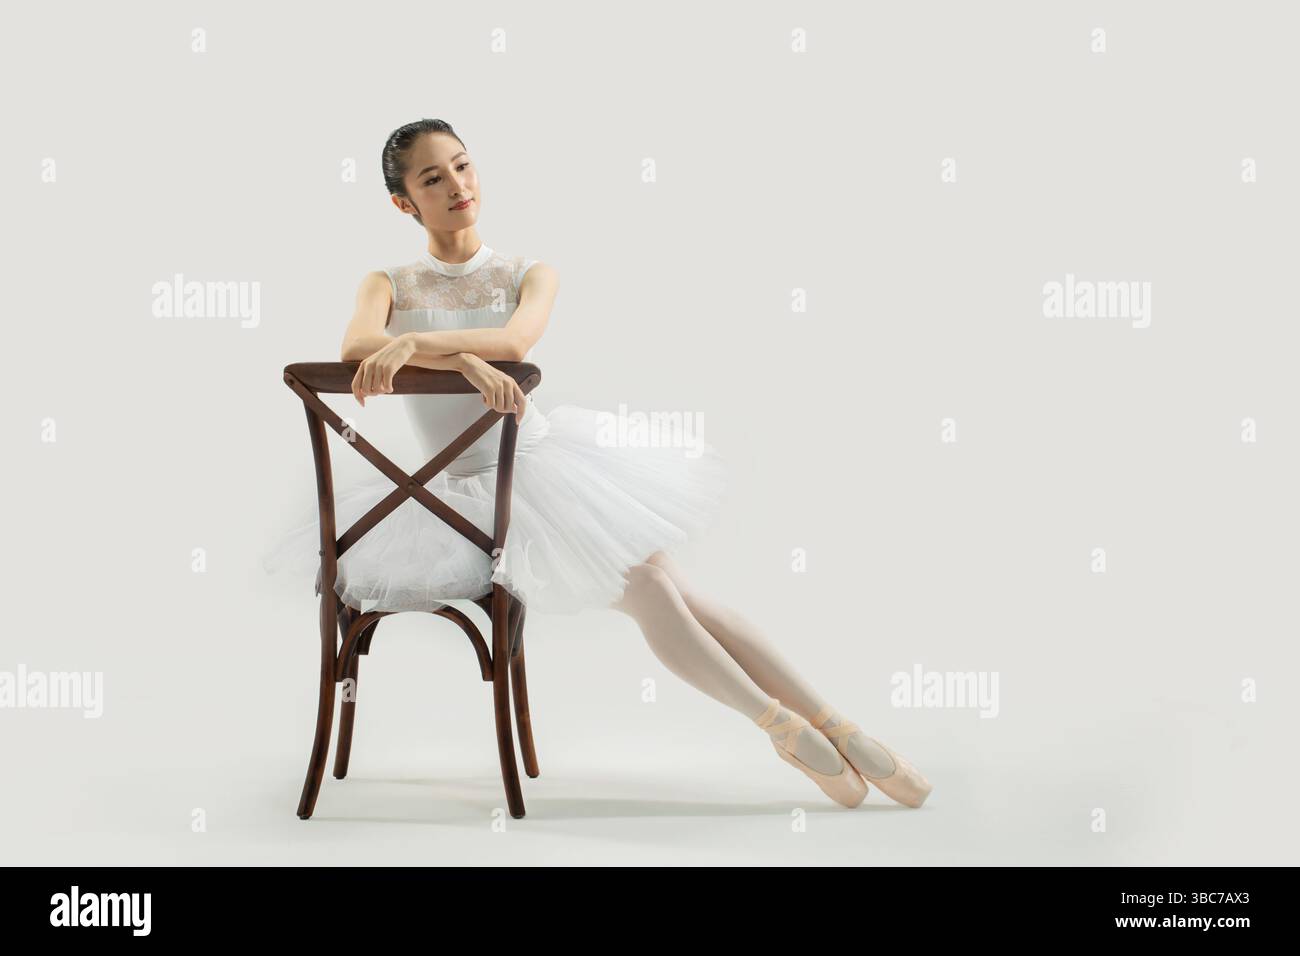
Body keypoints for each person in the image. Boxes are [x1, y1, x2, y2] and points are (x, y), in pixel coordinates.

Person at [265, 118, 931, 810]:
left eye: (463, 166)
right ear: (404, 203)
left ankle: (812, 731)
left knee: (665, 584)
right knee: (653, 587)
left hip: (548, 467)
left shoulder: (529, 272)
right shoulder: (389, 280)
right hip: (460, 498)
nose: (458, 185)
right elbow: (355, 345)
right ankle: (813, 727)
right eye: (433, 178)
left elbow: (514, 341)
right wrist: (458, 355)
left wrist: (433, 350)